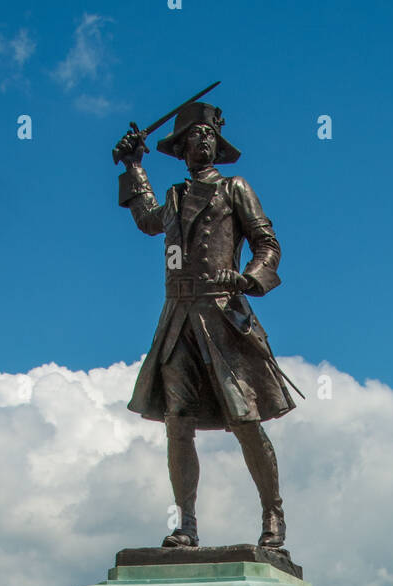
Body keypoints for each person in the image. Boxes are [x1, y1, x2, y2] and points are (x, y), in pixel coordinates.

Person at [113, 101, 295, 550]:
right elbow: (146, 219)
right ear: (181, 147)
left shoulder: (235, 188)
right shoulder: (174, 197)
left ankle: (273, 515)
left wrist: (249, 277)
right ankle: (186, 524)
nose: (203, 141)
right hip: (178, 319)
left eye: (209, 134)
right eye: (195, 135)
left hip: (222, 317)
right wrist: (135, 166)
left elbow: (267, 243)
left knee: (245, 418)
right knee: (177, 421)